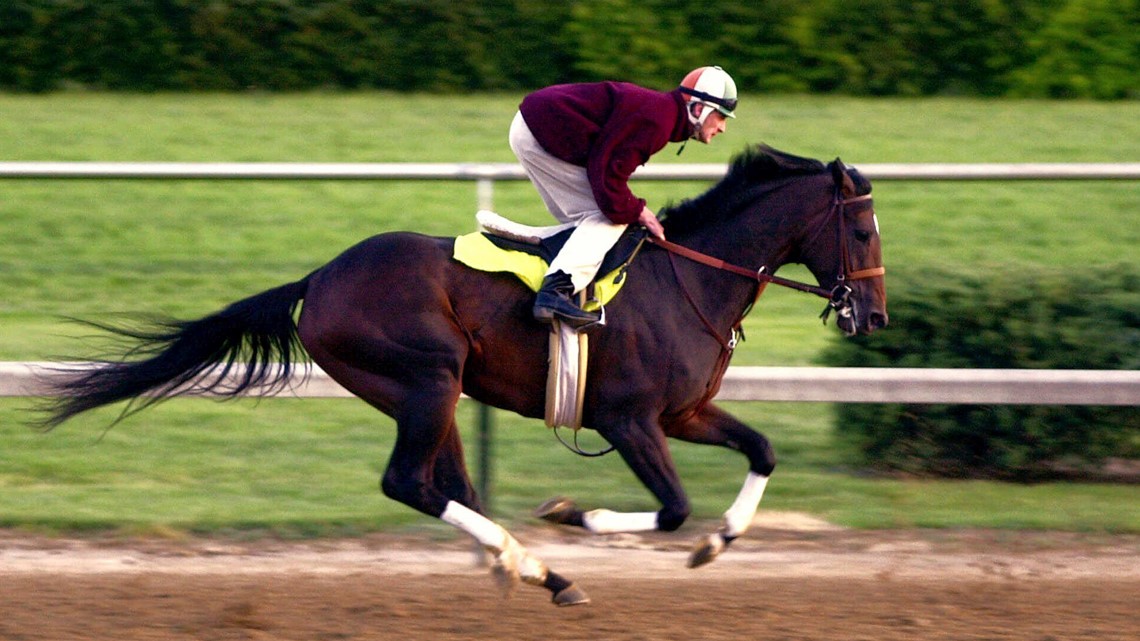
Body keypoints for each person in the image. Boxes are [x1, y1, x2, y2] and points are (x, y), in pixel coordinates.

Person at [509, 66, 737, 328]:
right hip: (539, 131)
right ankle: (554, 292)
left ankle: (563, 281)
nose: (723, 128)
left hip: (534, 127)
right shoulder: (658, 122)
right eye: (721, 116)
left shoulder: (661, 115)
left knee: (595, 219)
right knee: (609, 218)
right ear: (699, 109)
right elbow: (607, 179)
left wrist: (632, 209)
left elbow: (605, 172)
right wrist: (638, 211)